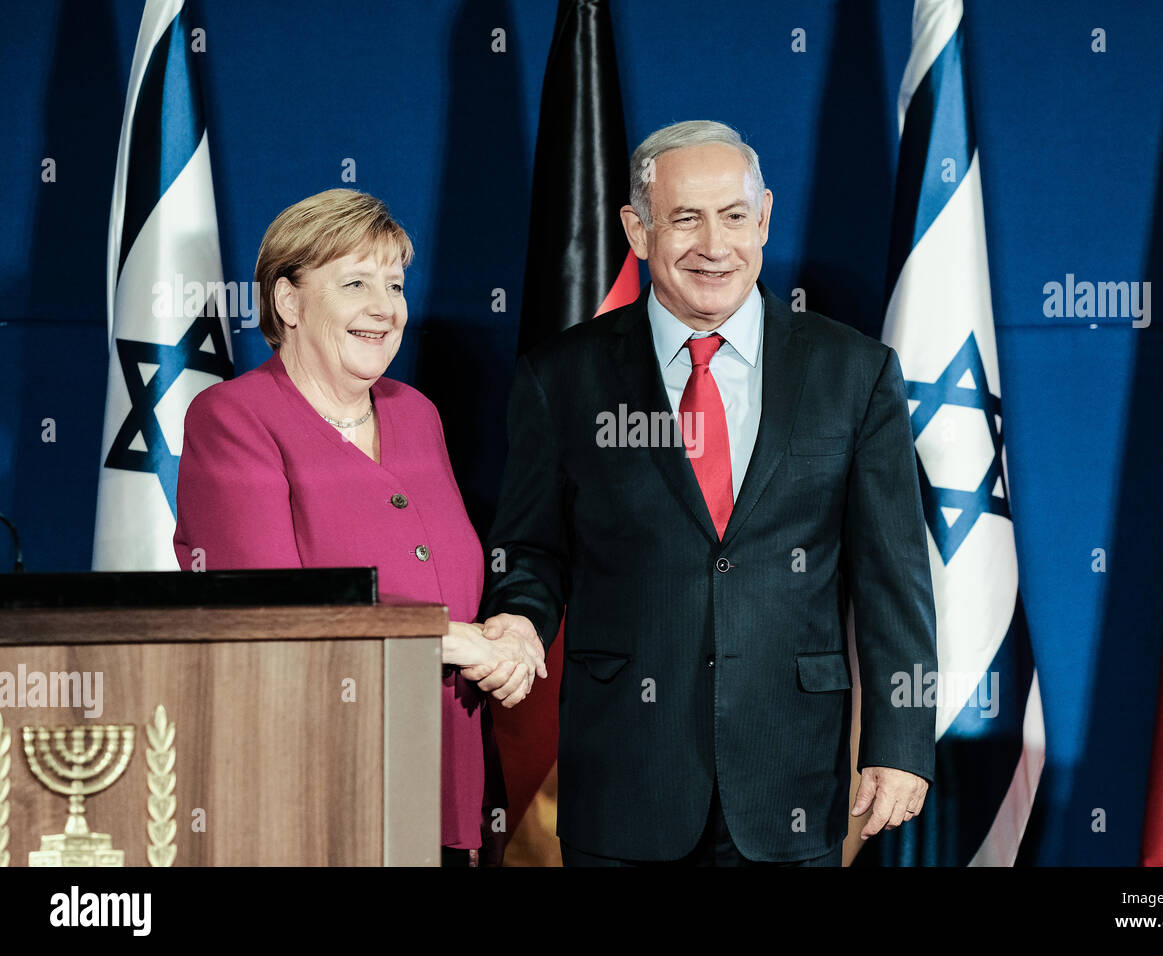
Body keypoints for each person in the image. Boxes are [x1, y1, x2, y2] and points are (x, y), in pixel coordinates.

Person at [478, 121, 938, 866]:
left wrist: (903, 741)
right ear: (637, 229)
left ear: (763, 218)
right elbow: (529, 549)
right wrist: (516, 620)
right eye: (685, 217)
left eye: (732, 215)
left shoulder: (854, 373)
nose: (713, 245)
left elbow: (894, 579)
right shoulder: (562, 377)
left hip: (791, 778)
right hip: (625, 777)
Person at [173, 189, 545, 865]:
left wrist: (504, 633)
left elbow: (450, 577)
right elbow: (269, 608)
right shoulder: (232, 419)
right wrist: (453, 640)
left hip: (439, 768)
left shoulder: (415, 413)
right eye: (355, 283)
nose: (386, 306)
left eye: (395, 284)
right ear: (288, 302)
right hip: (311, 775)